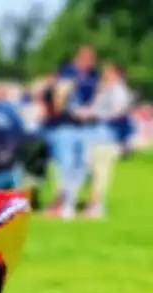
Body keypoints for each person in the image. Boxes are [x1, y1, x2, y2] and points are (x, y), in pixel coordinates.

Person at [45, 45, 99, 219]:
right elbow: (59, 97)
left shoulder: (93, 75)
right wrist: (69, 111)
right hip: (65, 125)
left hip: (84, 127)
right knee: (65, 165)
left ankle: (69, 202)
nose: (89, 62)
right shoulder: (68, 72)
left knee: (81, 165)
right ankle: (61, 203)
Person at [86, 63, 133, 218]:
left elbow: (117, 112)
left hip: (108, 137)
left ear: (116, 74)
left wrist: (97, 114)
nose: (104, 76)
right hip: (99, 135)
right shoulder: (106, 90)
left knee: (101, 173)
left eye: (107, 73)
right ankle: (92, 204)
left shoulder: (119, 91)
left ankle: (96, 207)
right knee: (95, 172)